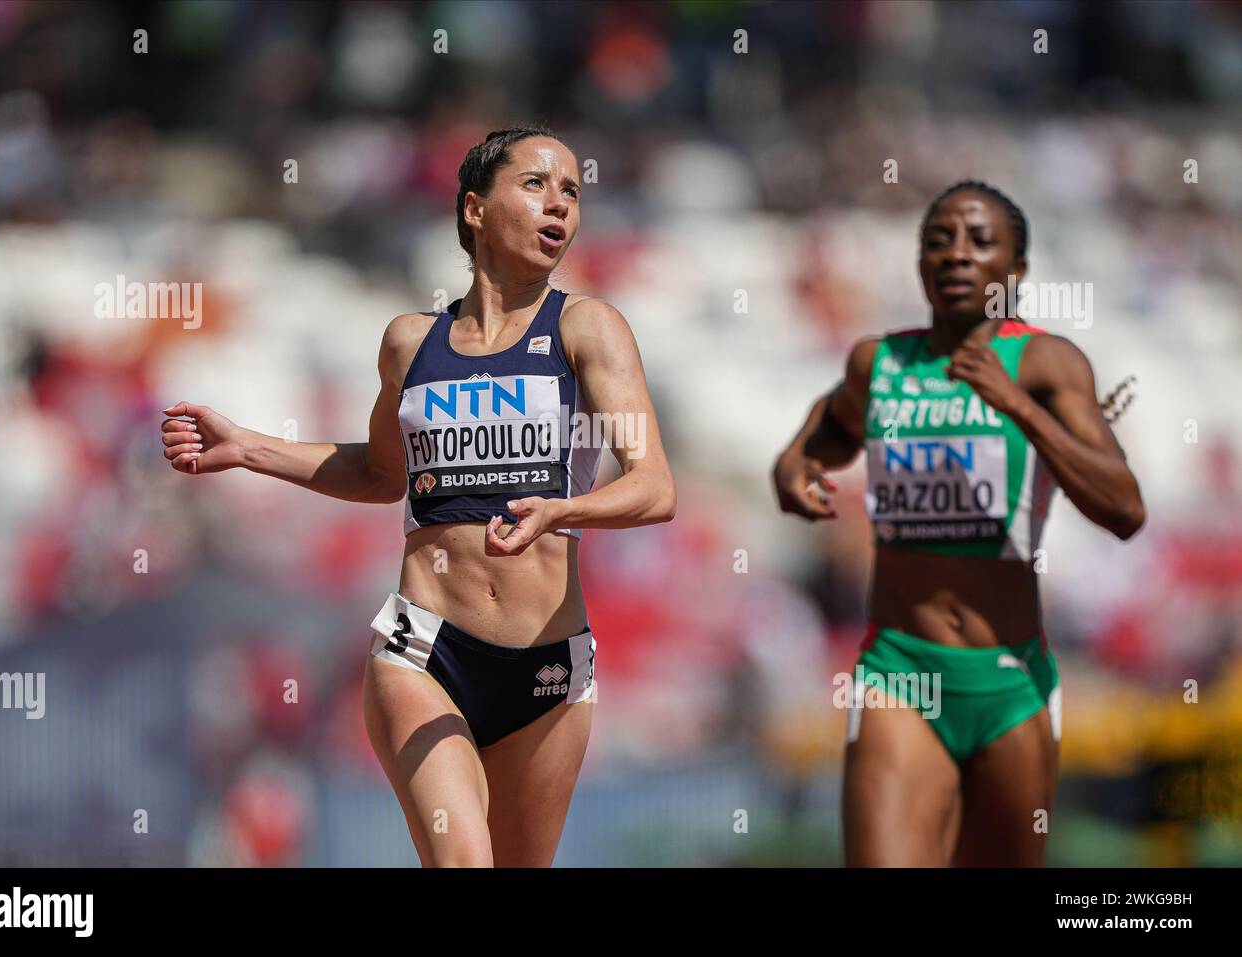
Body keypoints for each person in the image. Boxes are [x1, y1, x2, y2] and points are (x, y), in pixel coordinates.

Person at [160, 126, 676, 866]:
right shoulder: (410, 344)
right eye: (536, 184)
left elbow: (654, 486)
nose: (559, 203)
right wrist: (249, 447)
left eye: (572, 191)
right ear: (474, 207)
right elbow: (381, 475)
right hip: (423, 649)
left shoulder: (588, 329)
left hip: (550, 666)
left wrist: (564, 509)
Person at [773, 180, 1145, 866]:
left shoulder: (1046, 363)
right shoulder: (879, 362)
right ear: (919, 264)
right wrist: (793, 468)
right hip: (901, 671)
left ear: (1017, 271)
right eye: (938, 241)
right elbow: (827, 431)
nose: (956, 255)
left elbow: (1124, 508)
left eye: (980, 240)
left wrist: (1022, 409)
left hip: (1009, 679)